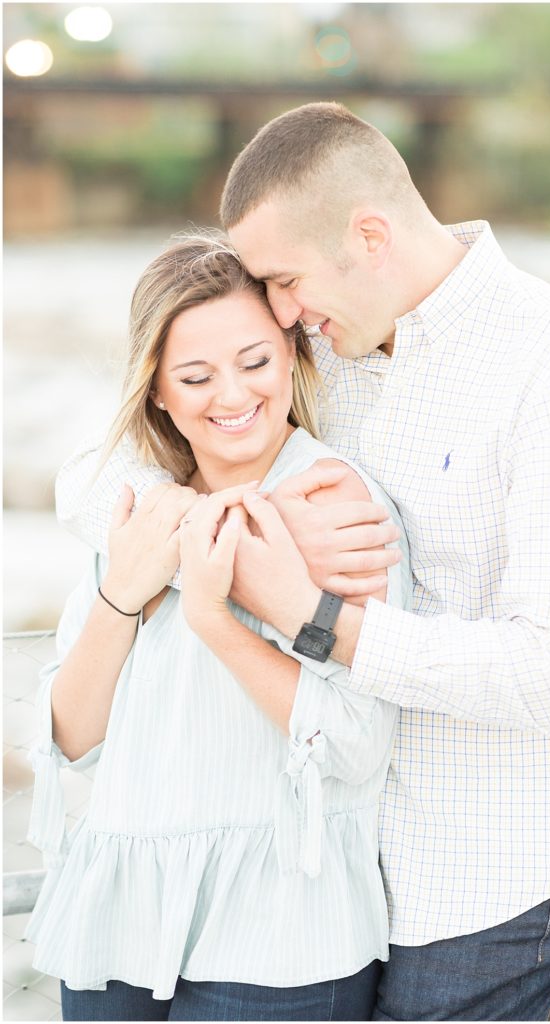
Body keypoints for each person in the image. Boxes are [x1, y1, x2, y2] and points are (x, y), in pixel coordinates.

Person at [55, 103, 550, 1022]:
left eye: (288, 280)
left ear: (369, 235)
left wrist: (314, 614)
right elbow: (102, 477)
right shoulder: (329, 353)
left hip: (485, 870)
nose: (282, 312)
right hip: (325, 866)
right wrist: (223, 530)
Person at [26, 232, 412, 1022]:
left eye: (256, 362)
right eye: (196, 376)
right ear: (158, 391)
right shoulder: (137, 511)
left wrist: (213, 614)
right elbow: (72, 738)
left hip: (279, 927)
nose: (232, 396)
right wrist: (124, 594)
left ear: (293, 360)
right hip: (121, 915)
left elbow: (353, 742)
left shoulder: (339, 511)